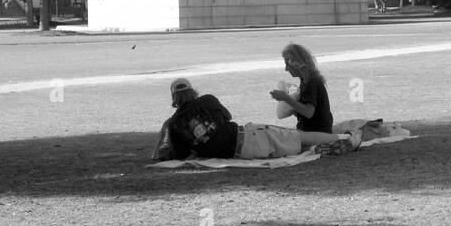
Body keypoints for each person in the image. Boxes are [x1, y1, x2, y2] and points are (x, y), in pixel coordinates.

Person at [151, 77, 356, 161]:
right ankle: (346, 137)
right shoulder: (207, 100)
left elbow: (178, 154)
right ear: (192, 91)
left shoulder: (173, 124)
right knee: (298, 136)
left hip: (238, 154)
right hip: (247, 137)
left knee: (291, 144)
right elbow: (227, 117)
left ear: (174, 99)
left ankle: (332, 143)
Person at [269, 43, 335, 134]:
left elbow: (308, 112)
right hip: (310, 130)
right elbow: (311, 114)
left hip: (317, 132)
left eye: (287, 65)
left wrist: (286, 98)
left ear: (296, 64)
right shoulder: (305, 80)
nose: (286, 69)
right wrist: (289, 107)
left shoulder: (311, 82)